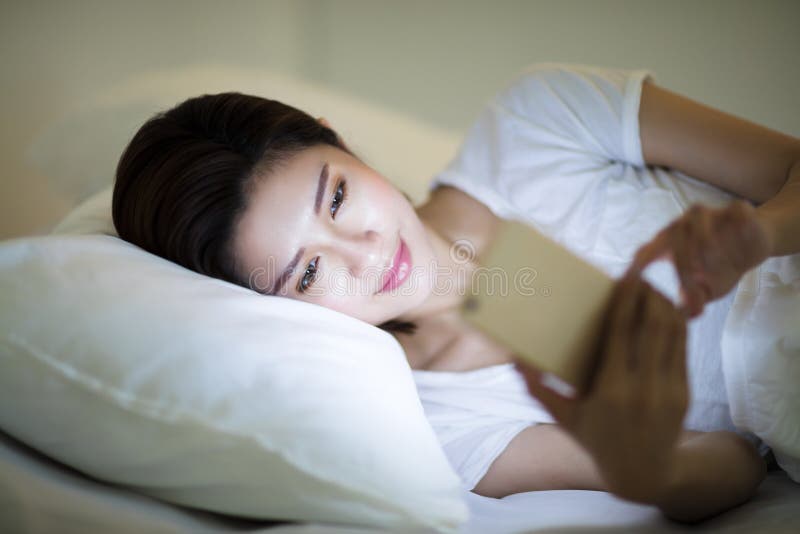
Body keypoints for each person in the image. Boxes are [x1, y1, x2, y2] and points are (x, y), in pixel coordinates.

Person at [111, 63, 800, 524]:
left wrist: (760, 237)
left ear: (341, 141)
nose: (365, 251)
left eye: (339, 197)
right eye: (309, 273)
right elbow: (732, 467)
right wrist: (649, 467)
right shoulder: (437, 425)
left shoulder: (536, 123)